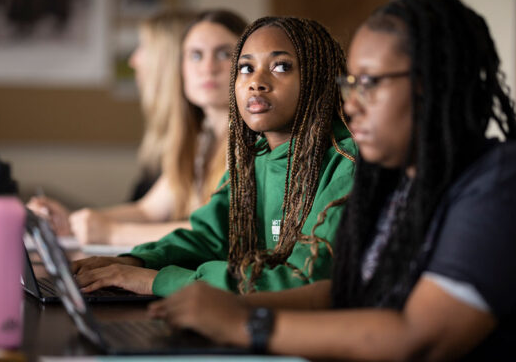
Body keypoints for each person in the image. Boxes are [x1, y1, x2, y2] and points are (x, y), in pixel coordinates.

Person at [147, 0, 516, 361]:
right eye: (351, 83)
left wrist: (247, 325)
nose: (351, 104)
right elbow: (337, 293)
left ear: (430, 83)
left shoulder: (501, 180)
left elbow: (422, 340)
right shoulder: (397, 181)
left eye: (370, 83)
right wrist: (213, 304)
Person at [71, 17, 357, 297]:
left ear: (320, 79)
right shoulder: (252, 159)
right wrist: (133, 262)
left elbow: (302, 282)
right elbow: (209, 238)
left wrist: (159, 280)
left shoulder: (347, 163)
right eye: (246, 68)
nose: (256, 82)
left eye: (281, 66)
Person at [28, 10, 248, 246]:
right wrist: (68, 222)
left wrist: (112, 233)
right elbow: (148, 211)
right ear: (180, 66)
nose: (208, 67)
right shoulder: (200, 140)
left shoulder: (251, 143)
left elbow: (218, 230)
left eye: (224, 54)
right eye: (196, 55)